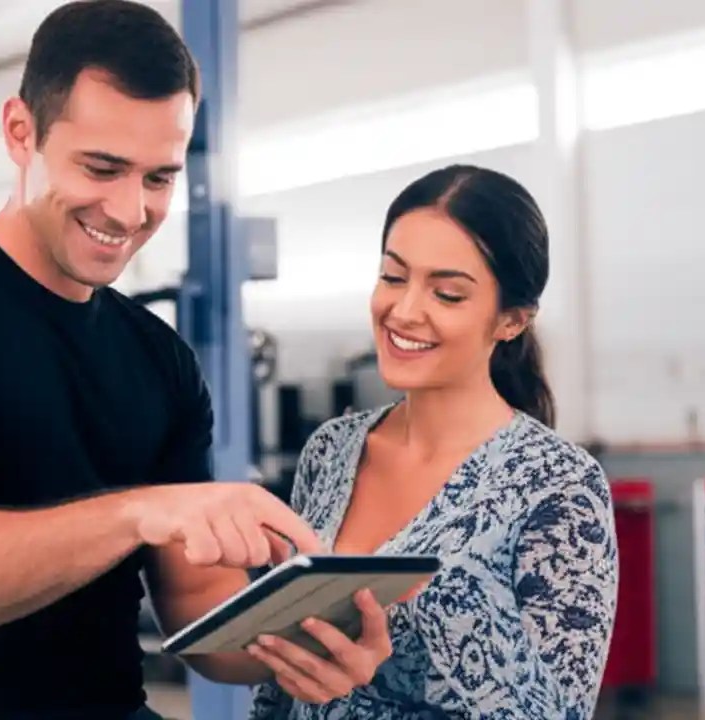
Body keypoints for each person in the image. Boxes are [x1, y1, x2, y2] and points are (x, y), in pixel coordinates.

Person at [0, 2, 392, 718]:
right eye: (102, 168)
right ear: (20, 132)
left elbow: (198, 606)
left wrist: (303, 644)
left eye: (159, 178)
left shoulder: (161, 359)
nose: (129, 210)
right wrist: (142, 512)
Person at [248, 165, 620, 719]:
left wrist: (436, 611)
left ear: (511, 321)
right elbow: (279, 681)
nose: (403, 311)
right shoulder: (332, 449)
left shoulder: (558, 484)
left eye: (447, 294)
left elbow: (557, 714)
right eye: (393, 276)